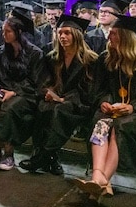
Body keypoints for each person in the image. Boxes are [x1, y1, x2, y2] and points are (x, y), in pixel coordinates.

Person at [74, 14, 136, 203]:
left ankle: (98, 181)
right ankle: (99, 181)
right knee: (101, 123)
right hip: (111, 111)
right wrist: (104, 101)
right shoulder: (106, 57)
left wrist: (133, 107)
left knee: (118, 127)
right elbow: (99, 89)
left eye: (114, 34)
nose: (109, 37)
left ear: (126, 36)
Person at [20, 15, 98, 175]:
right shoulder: (52, 58)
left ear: (77, 35)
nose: (62, 36)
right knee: (43, 107)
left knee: (59, 110)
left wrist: (64, 99)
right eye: (60, 32)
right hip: (56, 102)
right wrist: (48, 93)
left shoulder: (90, 60)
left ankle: (41, 157)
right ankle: (51, 158)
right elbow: (43, 81)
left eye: (67, 33)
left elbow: (89, 91)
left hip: (79, 105)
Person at [0, 9, 46, 171]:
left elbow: (35, 82)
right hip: (1, 93)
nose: (4, 35)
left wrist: (14, 91)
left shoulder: (35, 54)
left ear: (19, 32)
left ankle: (8, 154)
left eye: (8, 31)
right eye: (3, 31)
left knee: (9, 109)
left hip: (25, 95)